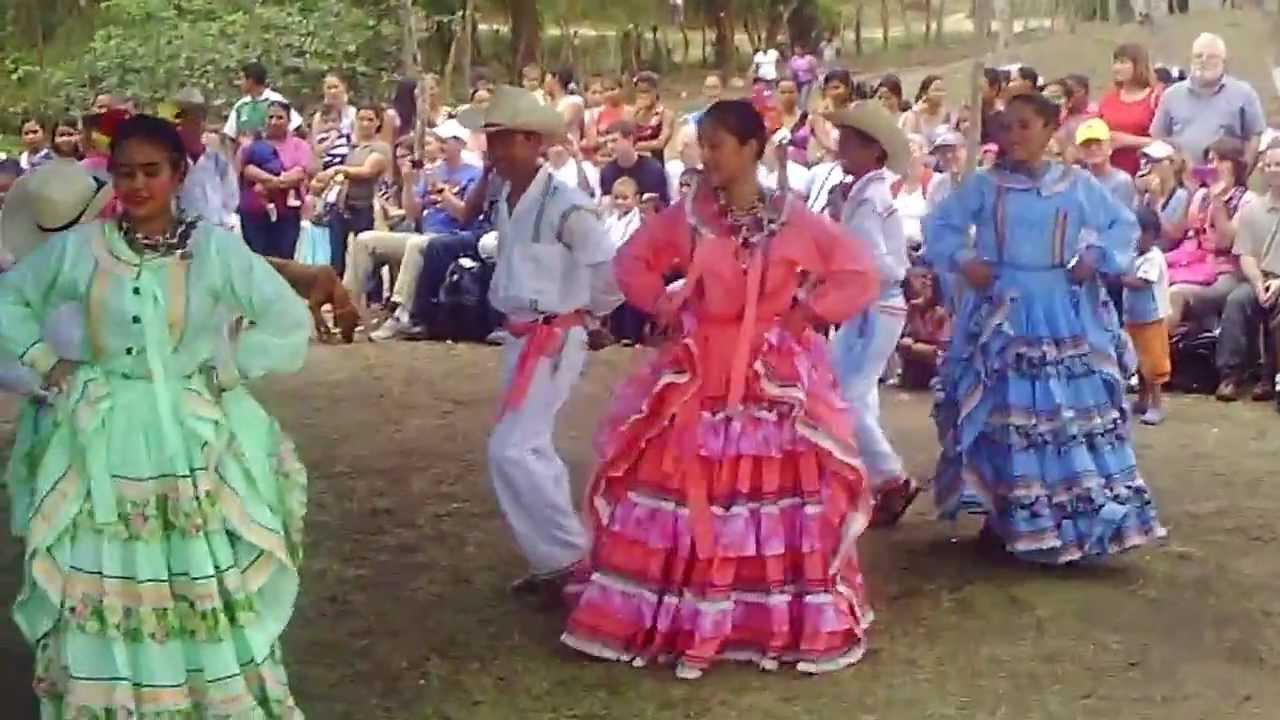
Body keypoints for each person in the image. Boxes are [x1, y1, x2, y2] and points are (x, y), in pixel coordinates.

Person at [0, 113, 310, 718]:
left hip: (189, 436)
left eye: (151, 171)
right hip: (103, 431)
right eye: (123, 173)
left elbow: (286, 317)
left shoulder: (213, 250)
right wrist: (48, 363)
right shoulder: (80, 249)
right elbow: (10, 299)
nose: (137, 185)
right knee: (109, 563)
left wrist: (224, 372)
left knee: (194, 562)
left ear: (179, 174)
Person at [562, 98, 877, 679]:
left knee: (770, 486)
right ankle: (682, 608)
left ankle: (761, 615)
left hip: (769, 371)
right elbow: (633, 260)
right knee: (685, 478)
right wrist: (663, 304)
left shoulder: (793, 218)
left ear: (753, 148)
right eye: (702, 145)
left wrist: (806, 314)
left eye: (717, 145)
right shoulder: (690, 216)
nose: (706, 157)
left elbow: (857, 270)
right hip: (700, 364)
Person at [925, 92, 1165, 564]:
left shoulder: (1073, 184)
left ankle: (1068, 514)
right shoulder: (984, 186)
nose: (1014, 136)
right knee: (1006, 410)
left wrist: (1092, 258)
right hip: (1001, 308)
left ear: (1050, 128)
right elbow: (942, 226)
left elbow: (1121, 224)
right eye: (1007, 127)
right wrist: (964, 260)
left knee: (1059, 412)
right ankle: (1007, 515)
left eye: (1025, 126)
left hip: (1059, 308)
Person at [455, 85, 623, 600]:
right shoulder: (510, 195)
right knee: (530, 446)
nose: (496, 151)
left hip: (554, 336)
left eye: (506, 141)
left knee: (513, 448)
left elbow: (607, 269)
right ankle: (555, 558)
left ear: (534, 142)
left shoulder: (567, 206)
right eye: (492, 141)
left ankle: (570, 556)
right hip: (522, 331)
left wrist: (590, 315)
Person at [827, 101, 918, 526]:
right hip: (872, 303)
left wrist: (844, 270)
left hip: (873, 304)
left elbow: (876, 261)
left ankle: (890, 477)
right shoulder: (868, 194)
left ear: (873, 150)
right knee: (855, 394)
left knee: (848, 396)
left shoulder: (869, 198)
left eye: (850, 141)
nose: (841, 146)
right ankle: (870, 476)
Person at [368, 122, 482, 339]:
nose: (438, 146)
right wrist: (409, 183)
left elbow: (464, 215)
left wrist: (440, 188)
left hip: (450, 238)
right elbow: (413, 214)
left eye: (444, 141)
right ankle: (347, 306)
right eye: (436, 140)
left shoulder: (474, 174)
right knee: (367, 240)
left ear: (459, 144)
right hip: (423, 235)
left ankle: (402, 315)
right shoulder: (434, 170)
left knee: (415, 244)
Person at [1214, 142, 1280, 405]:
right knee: (1237, 301)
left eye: (1279, 164)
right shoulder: (1253, 210)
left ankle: (1269, 377)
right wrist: (1257, 284)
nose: (1274, 170)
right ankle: (1230, 375)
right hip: (1259, 277)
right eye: (1270, 164)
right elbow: (1245, 253)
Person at [1165, 137, 1250, 337]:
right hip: (1198, 264)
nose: (1215, 166)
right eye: (1211, 161)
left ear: (1236, 165)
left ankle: (1160, 360)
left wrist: (1218, 203)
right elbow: (1189, 238)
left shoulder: (1247, 200)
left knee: (1175, 294)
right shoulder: (1200, 196)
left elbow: (1226, 242)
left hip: (1228, 271)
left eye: (1221, 161)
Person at [1150, 33, 1266, 171]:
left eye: (1212, 57)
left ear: (1224, 61)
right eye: (1198, 56)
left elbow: (1254, 137)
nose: (1204, 60)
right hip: (1182, 182)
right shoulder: (1171, 95)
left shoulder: (1244, 94)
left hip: (1227, 181)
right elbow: (1159, 137)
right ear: (1190, 59)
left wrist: (1242, 174)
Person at [312, 102, 391, 278]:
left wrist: (337, 170)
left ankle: (374, 298)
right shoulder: (350, 146)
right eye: (361, 119)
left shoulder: (380, 148)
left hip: (364, 206)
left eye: (370, 119)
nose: (364, 123)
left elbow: (368, 171)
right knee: (336, 256)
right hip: (341, 205)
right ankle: (334, 294)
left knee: (369, 253)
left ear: (378, 123)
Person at [238, 101, 314, 259]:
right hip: (255, 213)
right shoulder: (252, 146)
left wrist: (276, 182)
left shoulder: (299, 146)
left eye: (280, 117)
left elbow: (300, 173)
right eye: (270, 117)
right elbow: (245, 170)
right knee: (257, 258)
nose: (274, 121)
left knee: (283, 259)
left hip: (287, 214)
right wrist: (275, 181)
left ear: (289, 121)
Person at [1123, 207, 1173, 424]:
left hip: (1151, 319)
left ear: (1152, 235)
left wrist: (1118, 278)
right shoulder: (1132, 254)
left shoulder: (1153, 258)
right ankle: (1142, 400)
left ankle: (1157, 405)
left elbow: (1142, 283)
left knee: (1154, 365)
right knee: (1140, 363)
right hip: (1134, 318)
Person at [174, 87, 240, 230]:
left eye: (195, 118)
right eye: (182, 117)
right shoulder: (167, 162)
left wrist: (224, 222)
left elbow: (231, 197)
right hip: (180, 236)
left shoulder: (217, 161)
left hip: (215, 233)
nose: (186, 124)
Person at [1098, 43, 1160, 177]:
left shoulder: (1156, 97)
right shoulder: (1109, 98)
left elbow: (1166, 142)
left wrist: (1128, 141)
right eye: (1115, 62)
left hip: (1144, 173)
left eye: (1123, 62)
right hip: (1111, 174)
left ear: (1138, 65)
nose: (1116, 68)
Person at [897, 267, 951, 390]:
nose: (925, 284)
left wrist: (914, 348)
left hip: (936, 364)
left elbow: (943, 352)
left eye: (928, 285)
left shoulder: (941, 313)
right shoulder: (911, 308)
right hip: (914, 365)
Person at [222, 61, 303, 139]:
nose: (239, 83)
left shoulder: (276, 100)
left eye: (241, 78)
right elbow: (230, 135)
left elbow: (297, 127)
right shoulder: (240, 106)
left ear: (250, 81)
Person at [600, 121, 671, 208]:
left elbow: (662, 205)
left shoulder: (652, 169)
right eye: (607, 142)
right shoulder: (607, 172)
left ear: (630, 139)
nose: (610, 146)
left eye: (614, 141)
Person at [1135, 141, 1190, 248]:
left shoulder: (1182, 195)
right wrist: (1139, 195)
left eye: (1155, 161)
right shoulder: (1147, 195)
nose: (1150, 166)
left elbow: (1174, 236)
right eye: (1147, 161)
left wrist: (1155, 206)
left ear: (1173, 164)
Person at [1076, 119, 1137, 209]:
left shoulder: (1121, 181)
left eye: (1098, 143)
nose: (1093, 148)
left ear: (1109, 146)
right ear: (1080, 150)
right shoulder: (1076, 180)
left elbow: (1121, 218)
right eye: (1087, 144)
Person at [809, 70, 855, 162]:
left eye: (837, 88)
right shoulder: (819, 113)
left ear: (848, 89)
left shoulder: (855, 110)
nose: (832, 92)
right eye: (828, 88)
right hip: (828, 161)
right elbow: (824, 140)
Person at [583, 75, 631, 159]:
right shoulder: (595, 113)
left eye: (613, 89)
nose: (609, 94)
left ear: (622, 90)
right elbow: (591, 142)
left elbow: (630, 137)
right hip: (601, 159)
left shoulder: (629, 112)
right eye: (606, 90)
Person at [632, 71, 675, 158]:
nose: (643, 96)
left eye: (646, 92)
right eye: (640, 92)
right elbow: (623, 135)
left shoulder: (665, 114)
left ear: (656, 91)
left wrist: (633, 146)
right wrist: (634, 112)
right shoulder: (633, 113)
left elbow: (660, 143)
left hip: (654, 163)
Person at [899, 75, 952, 141]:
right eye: (936, 90)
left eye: (943, 90)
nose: (940, 94)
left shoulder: (946, 113)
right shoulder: (913, 115)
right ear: (924, 94)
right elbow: (908, 140)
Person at [310, 71, 357, 139]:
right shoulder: (319, 117)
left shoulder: (353, 113)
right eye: (329, 88)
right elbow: (315, 145)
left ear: (344, 87)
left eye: (336, 87)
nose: (333, 91)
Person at [545, 67, 586, 144]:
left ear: (556, 78)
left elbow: (564, 123)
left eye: (547, 79)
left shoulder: (574, 101)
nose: (544, 83)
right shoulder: (546, 103)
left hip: (568, 147)